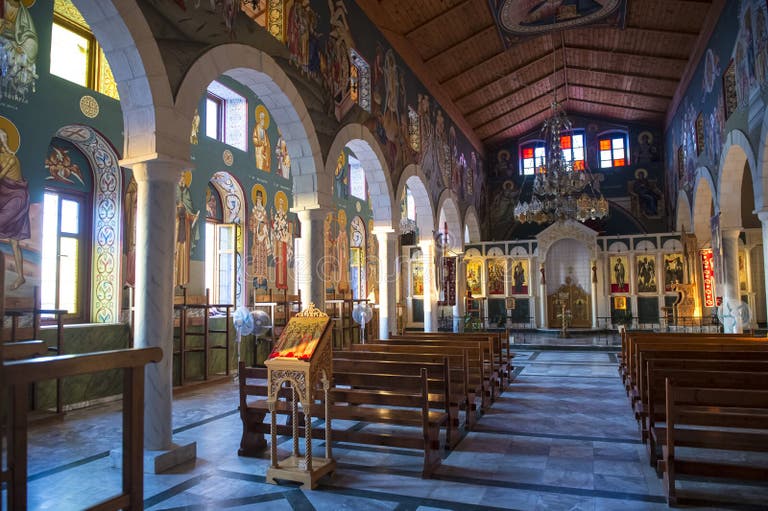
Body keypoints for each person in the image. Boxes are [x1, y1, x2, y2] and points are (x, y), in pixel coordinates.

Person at [0, 126, 29, 290]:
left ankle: (20, 276)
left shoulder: (11, 158)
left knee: (13, 240)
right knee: (14, 241)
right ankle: (20, 276)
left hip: (17, 198)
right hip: (6, 197)